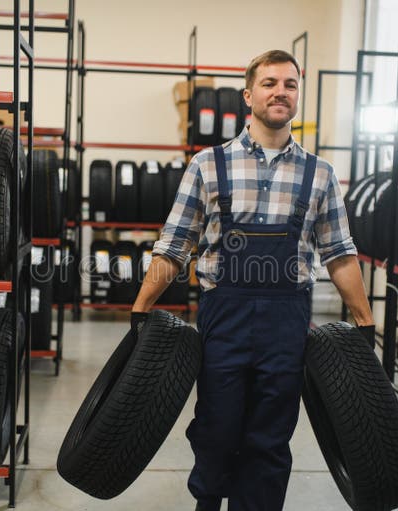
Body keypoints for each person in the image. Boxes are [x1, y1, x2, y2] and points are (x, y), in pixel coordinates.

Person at [130, 49, 375, 511]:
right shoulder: (207, 164)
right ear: (249, 95)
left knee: (270, 436)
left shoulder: (319, 174)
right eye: (270, 83)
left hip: (287, 323)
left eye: (290, 84)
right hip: (225, 318)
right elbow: (176, 244)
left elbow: (340, 254)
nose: (281, 91)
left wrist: (364, 322)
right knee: (217, 427)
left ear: (298, 95)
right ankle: (208, 503)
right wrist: (142, 307)